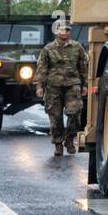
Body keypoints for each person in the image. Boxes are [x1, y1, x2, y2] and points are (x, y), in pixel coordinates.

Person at [36, 22, 89, 156]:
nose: (65, 32)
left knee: (75, 114)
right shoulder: (48, 49)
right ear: (56, 32)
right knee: (55, 117)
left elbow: (84, 67)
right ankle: (58, 144)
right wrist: (39, 86)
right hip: (53, 87)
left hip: (72, 85)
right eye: (62, 29)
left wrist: (85, 85)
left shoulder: (77, 47)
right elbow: (42, 69)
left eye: (67, 30)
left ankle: (70, 139)